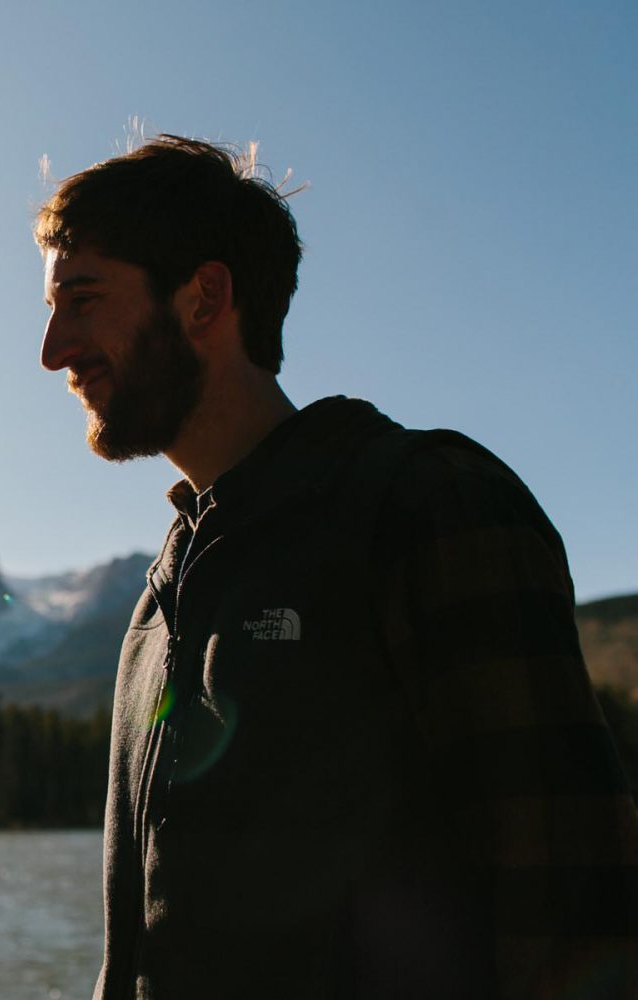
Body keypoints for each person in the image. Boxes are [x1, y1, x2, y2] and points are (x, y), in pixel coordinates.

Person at [35, 135, 638, 998]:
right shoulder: (165, 589)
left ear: (206, 298)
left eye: (83, 300)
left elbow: (576, 890)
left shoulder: (425, 502)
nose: (53, 350)